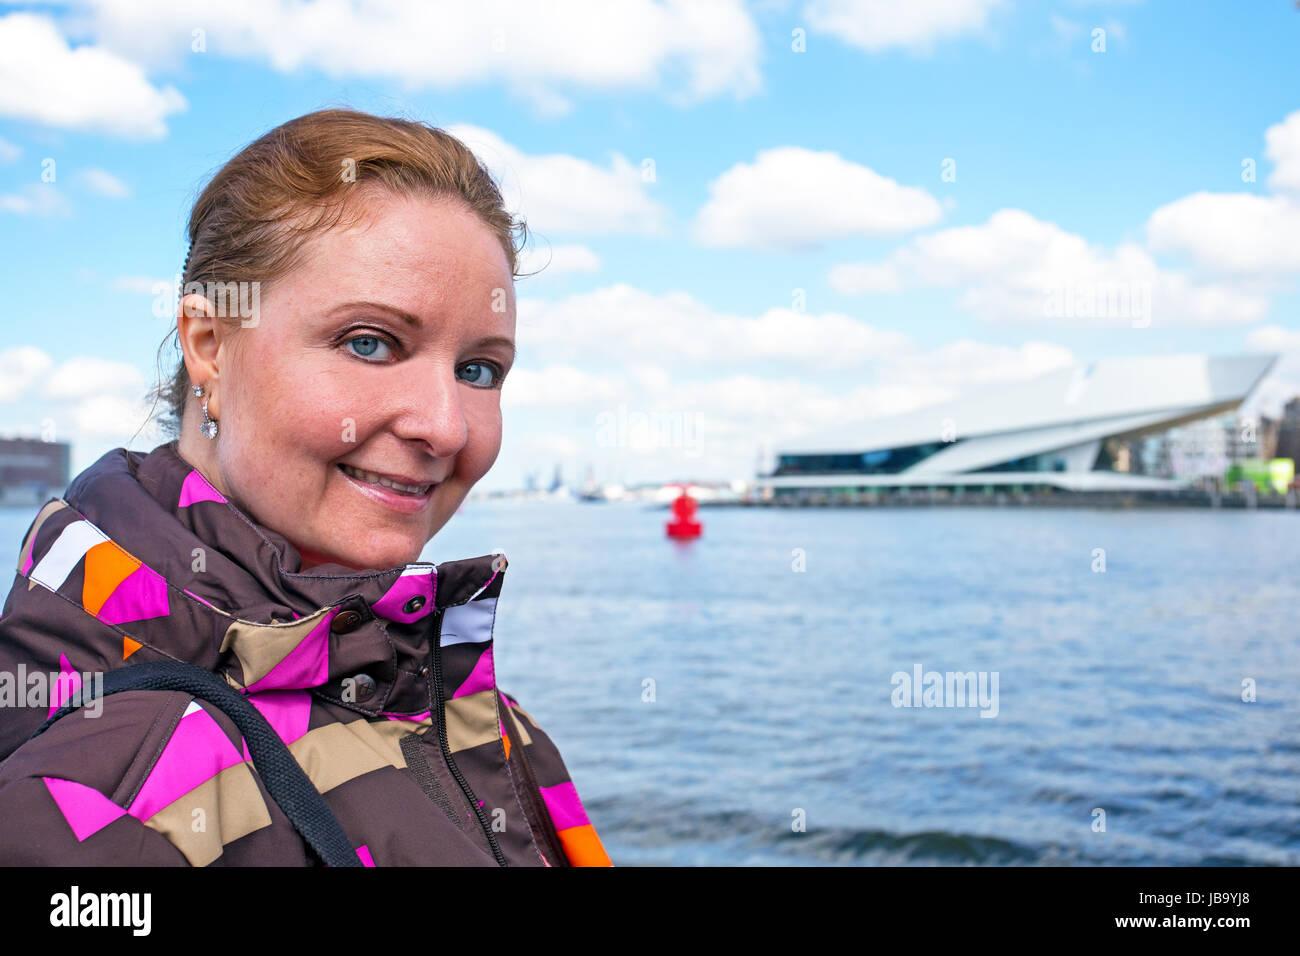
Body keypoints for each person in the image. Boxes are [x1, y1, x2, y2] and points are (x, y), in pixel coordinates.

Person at [0, 109, 611, 867]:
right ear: (210, 347)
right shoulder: (103, 796)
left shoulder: (459, 715)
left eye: (477, 369)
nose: (446, 428)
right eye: (370, 343)